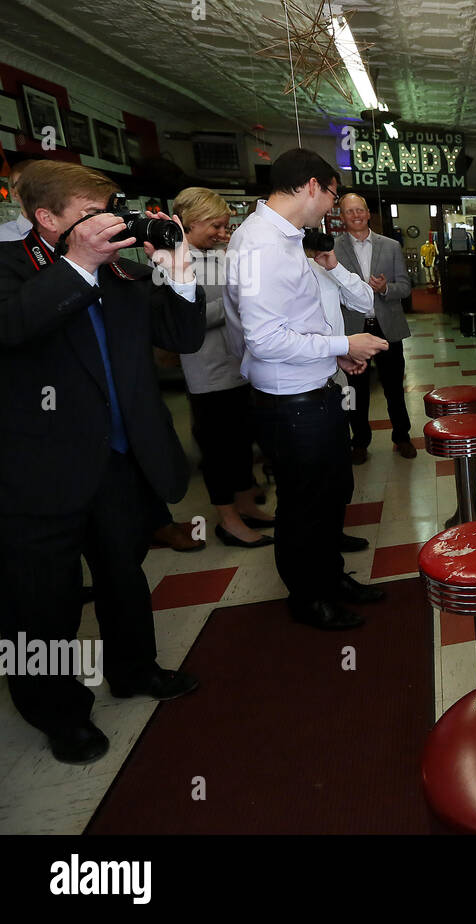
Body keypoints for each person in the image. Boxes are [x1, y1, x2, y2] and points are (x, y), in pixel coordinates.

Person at [0, 161, 205, 763]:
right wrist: (78, 264)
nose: (107, 222)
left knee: (124, 573)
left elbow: (181, 336)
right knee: (43, 603)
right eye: (91, 215)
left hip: (118, 462)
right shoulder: (10, 271)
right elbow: (14, 328)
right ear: (47, 219)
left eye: (108, 208)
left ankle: (135, 669)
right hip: (37, 474)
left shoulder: (120, 270)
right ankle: (60, 714)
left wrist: (178, 271)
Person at [223, 149, 388, 632]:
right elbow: (263, 338)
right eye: (334, 194)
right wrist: (343, 342)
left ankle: (332, 579)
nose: (334, 206)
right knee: (303, 505)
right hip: (290, 404)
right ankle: (308, 597)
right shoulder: (260, 245)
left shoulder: (285, 239)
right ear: (312, 186)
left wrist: (330, 353)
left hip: (315, 387)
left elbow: (294, 320)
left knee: (332, 490)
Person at [170, 187, 275, 548]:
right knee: (218, 451)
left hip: (236, 366)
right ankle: (228, 521)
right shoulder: (172, 261)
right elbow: (188, 320)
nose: (220, 232)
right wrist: (240, 305)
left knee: (241, 443)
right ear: (190, 221)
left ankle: (246, 504)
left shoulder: (215, 254)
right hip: (208, 373)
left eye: (224, 225)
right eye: (214, 226)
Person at [303, 239, 379, 554]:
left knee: (337, 468)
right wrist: (339, 349)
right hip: (300, 386)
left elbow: (365, 301)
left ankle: (334, 534)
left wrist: (334, 266)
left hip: (333, 375)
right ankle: (319, 551)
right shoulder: (271, 271)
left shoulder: (320, 268)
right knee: (311, 479)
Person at [334, 192, 415, 463]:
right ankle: (359, 441)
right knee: (354, 390)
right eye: (349, 211)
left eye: (360, 210)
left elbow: (405, 287)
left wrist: (385, 288)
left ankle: (402, 436)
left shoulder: (390, 246)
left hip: (387, 327)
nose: (356, 215)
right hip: (354, 330)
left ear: (368, 213)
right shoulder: (333, 250)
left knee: (394, 386)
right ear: (342, 216)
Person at [0, 157, 38, 241]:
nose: (33, 188)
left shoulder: (68, 230)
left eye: (39, 182)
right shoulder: (2, 236)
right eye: (23, 184)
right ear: (14, 193)